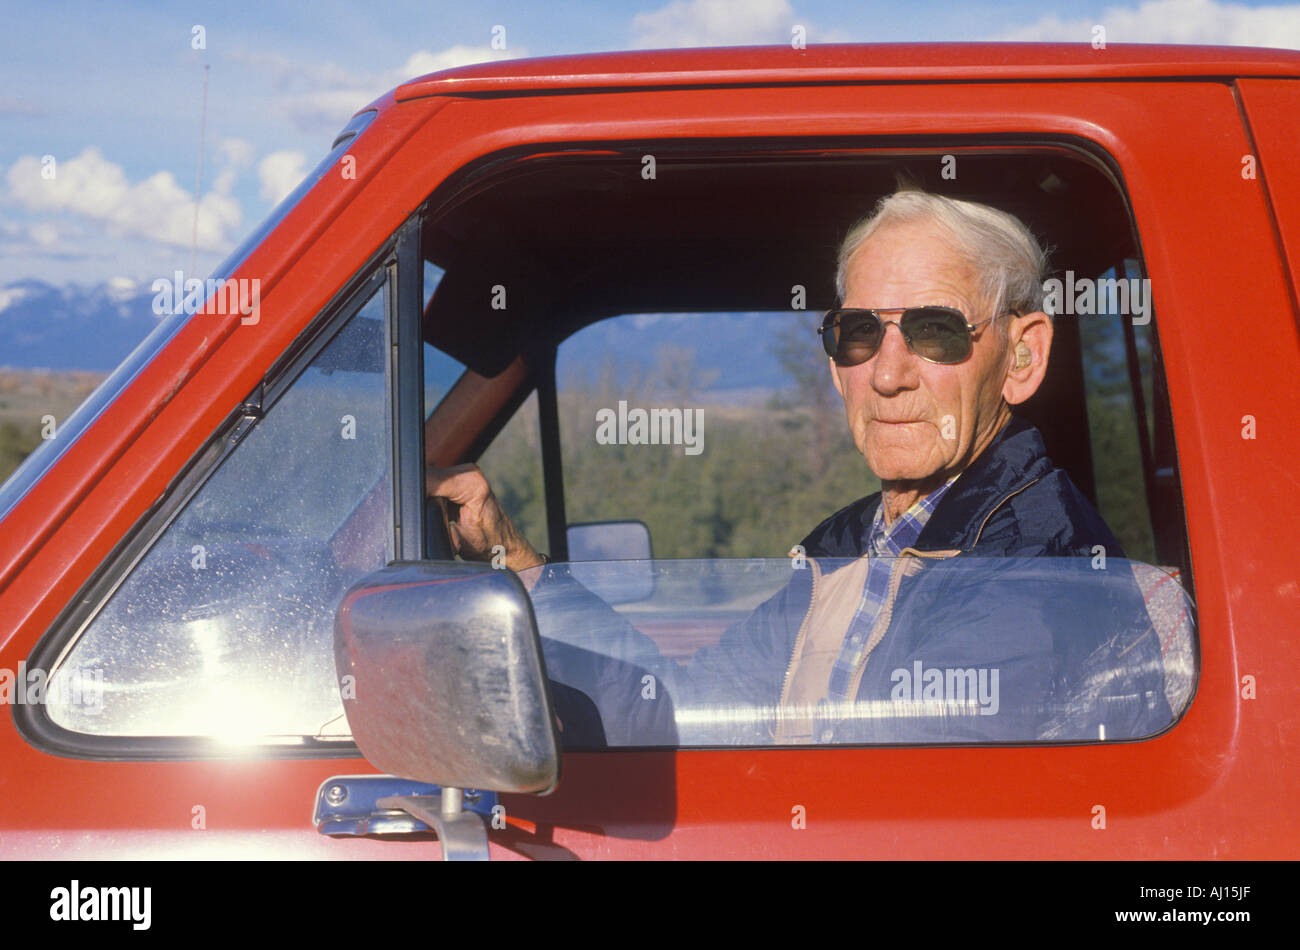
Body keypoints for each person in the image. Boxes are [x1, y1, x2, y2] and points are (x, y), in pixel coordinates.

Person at [428, 189, 1172, 746]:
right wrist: (514, 563)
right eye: (858, 333)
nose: (888, 374)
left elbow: (891, 827)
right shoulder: (853, 547)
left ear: (1022, 357)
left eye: (936, 330)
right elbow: (682, 708)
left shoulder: (1035, 572)